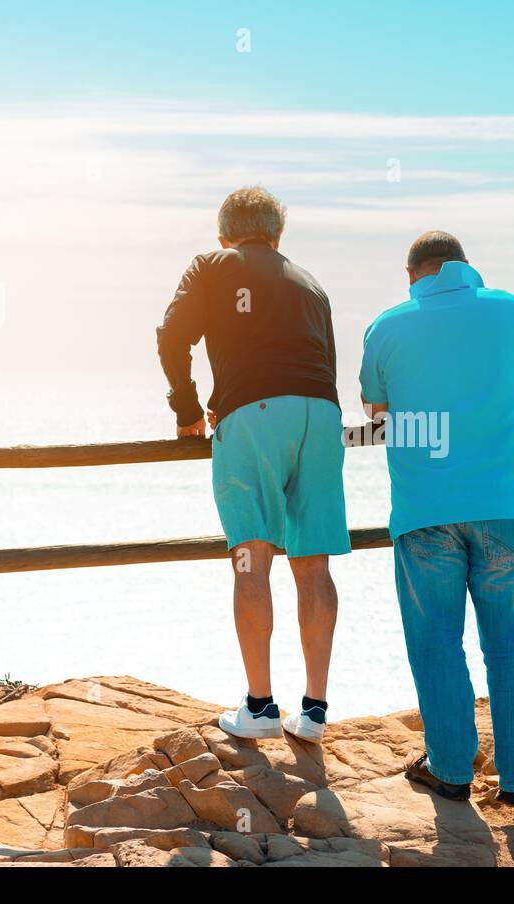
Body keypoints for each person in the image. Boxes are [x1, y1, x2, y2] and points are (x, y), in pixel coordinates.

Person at [359, 230, 514, 809]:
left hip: (424, 512)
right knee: (512, 646)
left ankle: (450, 770)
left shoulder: (386, 326)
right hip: (501, 506)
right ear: (467, 267)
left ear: (411, 274)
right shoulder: (509, 308)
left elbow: (376, 410)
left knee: (437, 644)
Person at [157, 186, 348, 744]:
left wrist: (189, 411)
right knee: (313, 565)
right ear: (278, 236)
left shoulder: (211, 265)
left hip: (254, 415)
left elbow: (171, 336)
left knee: (251, 561)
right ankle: (313, 713)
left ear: (224, 235)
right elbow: (323, 364)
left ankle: (261, 708)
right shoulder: (310, 283)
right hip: (320, 413)